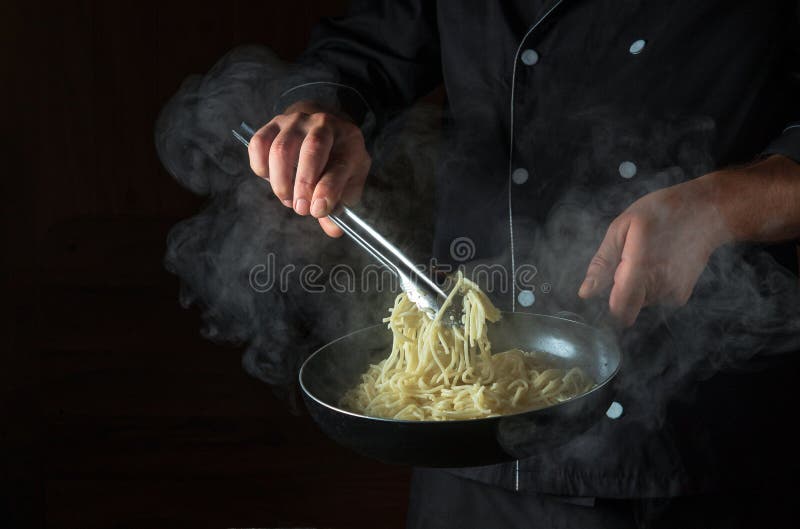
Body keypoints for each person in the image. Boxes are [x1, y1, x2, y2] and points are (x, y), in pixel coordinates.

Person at [247, 2, 800, 527]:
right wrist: (318, 114)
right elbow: (368, 45)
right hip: (465, 440)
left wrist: (719, 207)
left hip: (711, 441)